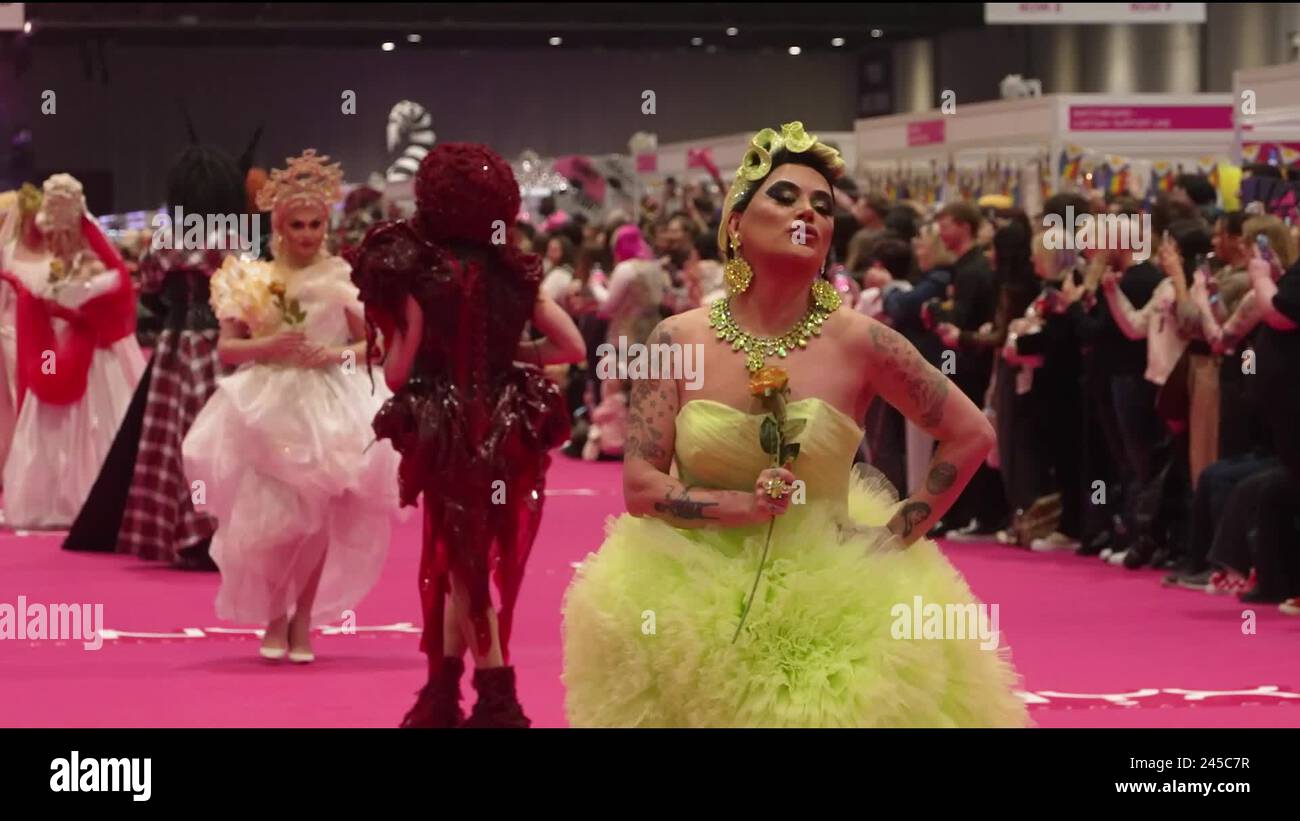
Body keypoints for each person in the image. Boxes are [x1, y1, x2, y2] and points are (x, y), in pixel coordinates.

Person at [561, 122, 1026, 728]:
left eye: (822, 205)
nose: (807, 210)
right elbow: (641, 485)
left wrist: (892, 534)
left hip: (835, 597)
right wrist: (740, 507)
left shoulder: (865, 343)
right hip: (686, 600)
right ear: (735, 223)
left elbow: (971, 434)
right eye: (784, 196)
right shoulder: (676, 338)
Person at [349, 143, 584, 728]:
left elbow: (399, 371)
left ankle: (495, 694)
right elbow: (572, 347)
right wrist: (514, 354)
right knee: (467, 555)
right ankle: (445, 692)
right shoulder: (516, 274)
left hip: (446, 431)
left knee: (460, 560)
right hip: (505, 427)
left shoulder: (420, 276)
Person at [181, 149, 400, 663]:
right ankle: (274, 617)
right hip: (265, 405)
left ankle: (302, 621)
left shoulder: (341, 276)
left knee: (317, 518)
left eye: (315, 224)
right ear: (278, 225)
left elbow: (375, 346)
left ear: (327, 223)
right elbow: (228, 348)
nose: (306, 233)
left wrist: (330, 354)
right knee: (269, 523)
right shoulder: (250, 278)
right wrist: (268, 347)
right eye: (297, 224)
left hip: (326, 405)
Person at [62, 145, 246, 566]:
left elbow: (152, 290)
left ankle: (180, 528)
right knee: (225, 439)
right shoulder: (235, 240)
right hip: (226, 346)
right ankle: (219, 528)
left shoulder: (167, 242)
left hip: (174, 349)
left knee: (171, 440)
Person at [1, 174, 146, 529]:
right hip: (58, 355)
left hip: (97, 360)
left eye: (60, 235)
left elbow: (110, 291)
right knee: (52, 427)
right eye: (50, 235)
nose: (55, 242)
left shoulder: (94, 265)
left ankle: (90, 498)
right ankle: (55, 498)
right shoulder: (56, 266)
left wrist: (73, 301)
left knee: (100, 427)